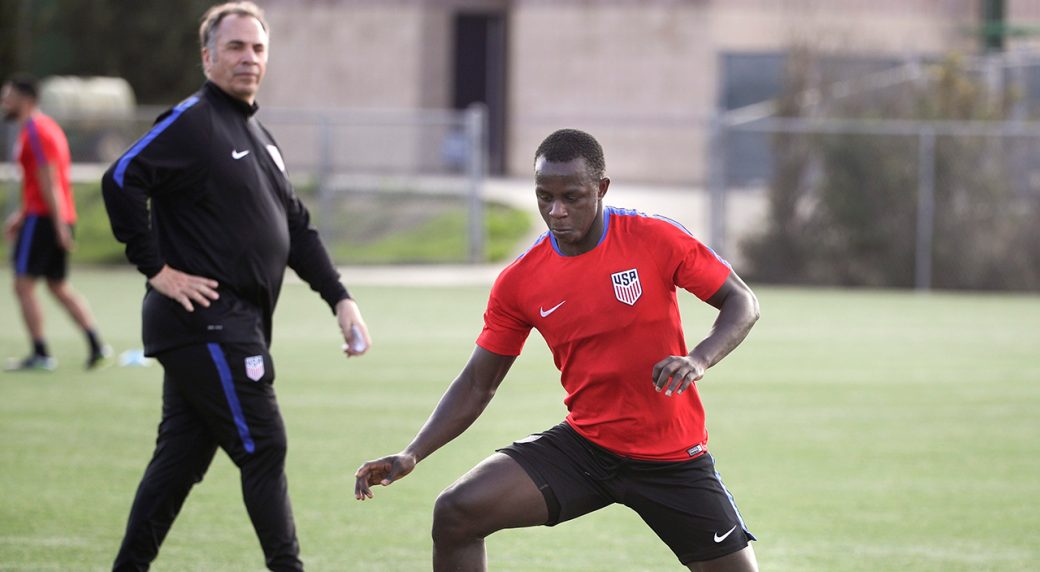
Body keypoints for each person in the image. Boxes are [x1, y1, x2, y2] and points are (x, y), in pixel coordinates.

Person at [355, 128, 761, 571]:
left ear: (601, 189)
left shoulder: (654, 238)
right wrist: (413, 451)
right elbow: (477, 383)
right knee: (456, 512)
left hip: (672, 456)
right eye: (544, 196)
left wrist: (698, 358)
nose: (556, 210)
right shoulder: (521, 281)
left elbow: (742, 301)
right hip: (586, 448)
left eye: (572, 196)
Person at [100, 2, 371, 570]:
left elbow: (295, 228)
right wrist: (155, 268)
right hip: (209, 322)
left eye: (257, 48)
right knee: (264, 445)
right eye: (235, 47)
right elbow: (122, 178)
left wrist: (339, 298)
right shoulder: (194, 120)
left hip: (231, 325)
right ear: (207, 55)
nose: (248, 58)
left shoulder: (256, 132)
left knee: (178, 464)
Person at [1, 74, 110, 371]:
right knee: (57, 285)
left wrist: (58, 225)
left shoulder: (35, 130)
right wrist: (22, 215)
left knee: (23, 286)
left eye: (8, 96)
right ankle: (96, 343)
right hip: (46, 216)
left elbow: (49, 180)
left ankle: (40, 354)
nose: (4, 102)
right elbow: (44, 183)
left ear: (26, 100)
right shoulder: (41, 128)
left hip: (46, 218)